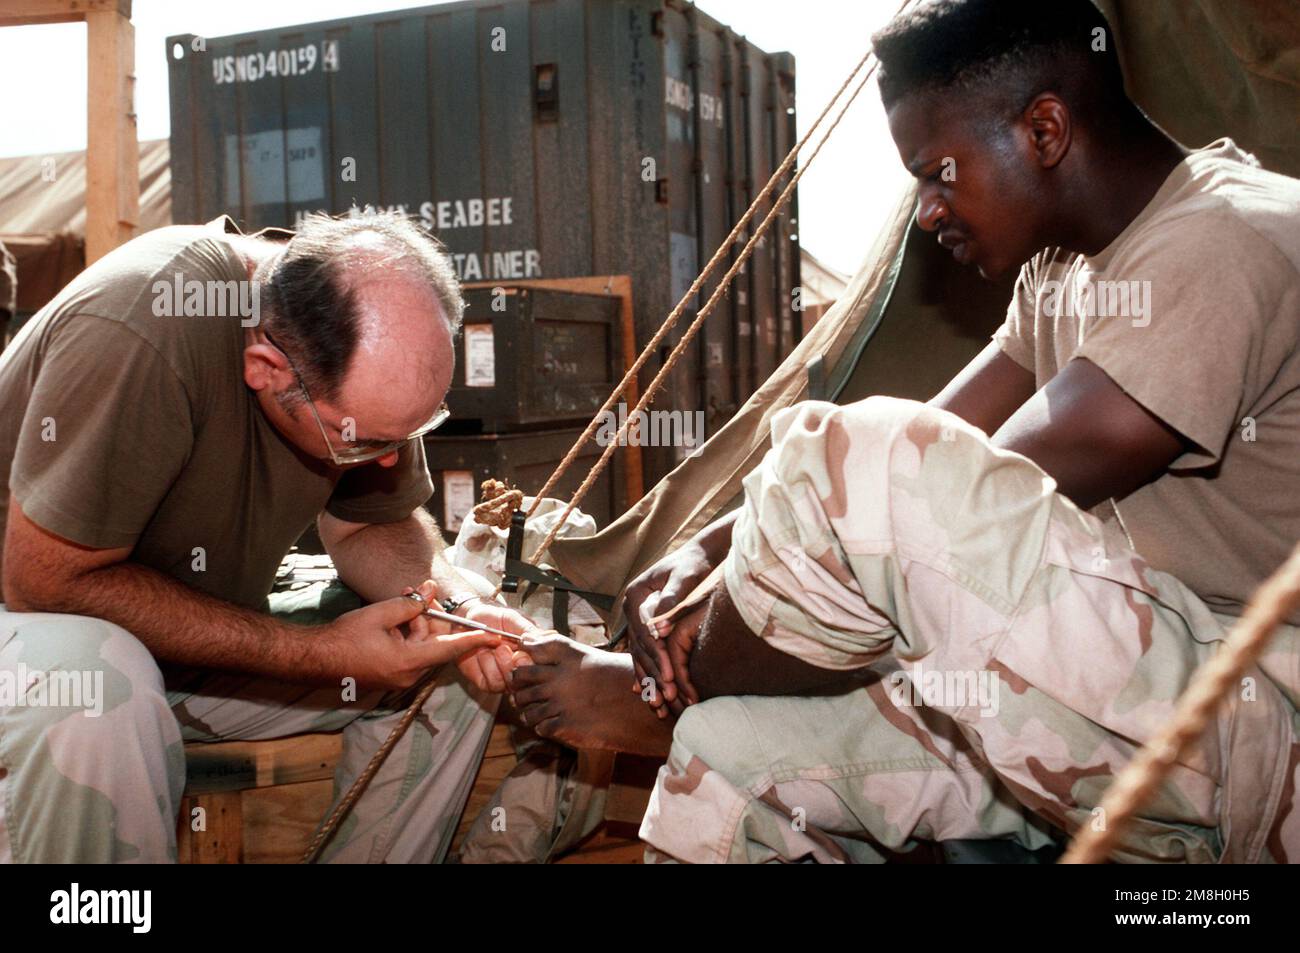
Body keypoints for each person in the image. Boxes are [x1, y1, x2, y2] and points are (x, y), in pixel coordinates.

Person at [511, 0, 1300, 862]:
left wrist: (717, 622)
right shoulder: (1061, 272)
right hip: (1122, 695)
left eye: (939, 174)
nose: (928, 210)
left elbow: (938, 487)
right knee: (731, 765)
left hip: (1261, 718)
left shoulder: (1233, 238)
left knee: (868, 463)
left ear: (1043, 130)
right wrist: (704, 547)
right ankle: (694, 708)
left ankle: (668, 693)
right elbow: (942, 431)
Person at [0, 211, 533, 863]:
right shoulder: (144, 326)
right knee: (98, 684)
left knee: (445, 662)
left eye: (410, 434)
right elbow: (43, 582)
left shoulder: (343, 324)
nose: (389, 462)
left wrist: (453, 600)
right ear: (265, 369)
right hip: (33, 633)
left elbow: (373, 522)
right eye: (365, 439)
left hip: (178, 644)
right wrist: (313, 652)